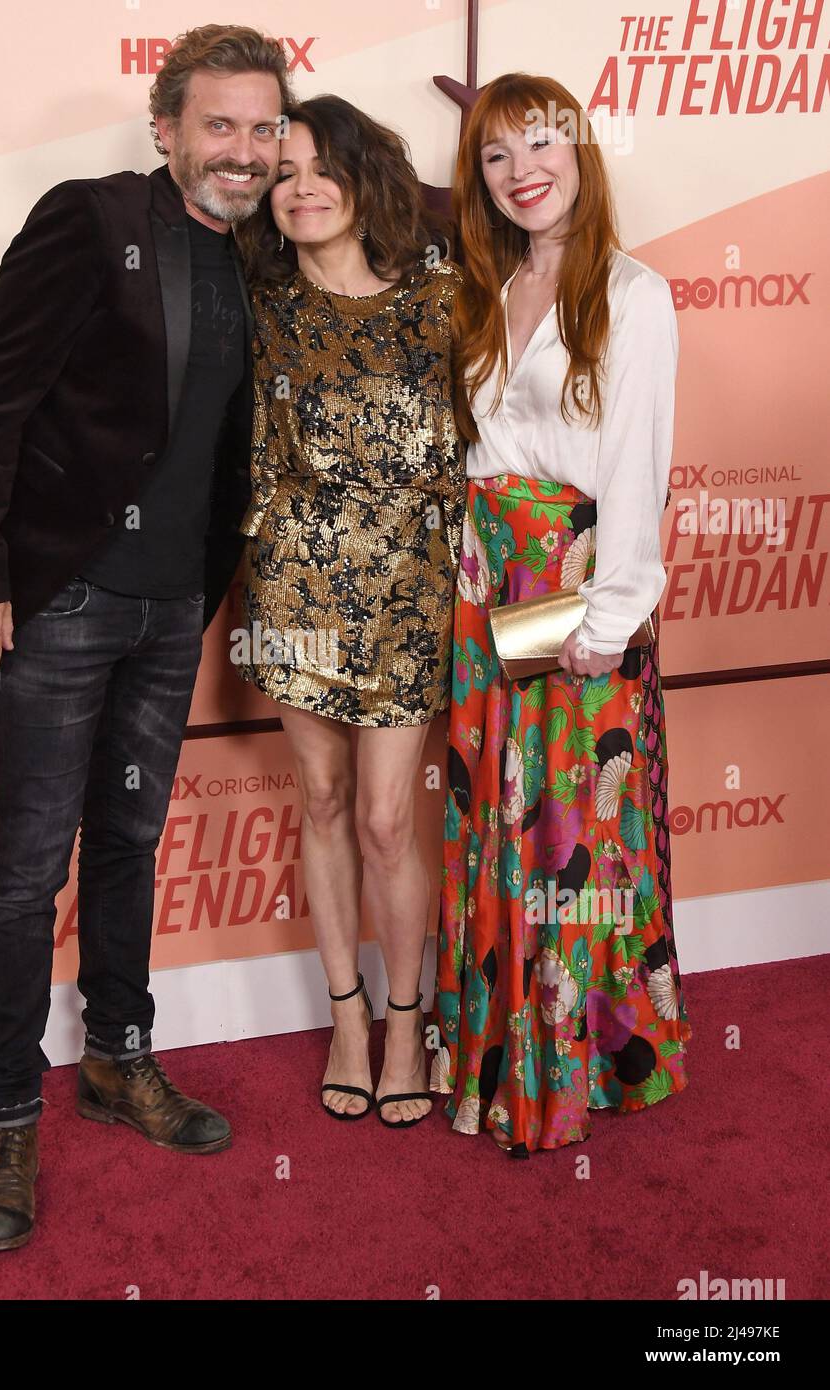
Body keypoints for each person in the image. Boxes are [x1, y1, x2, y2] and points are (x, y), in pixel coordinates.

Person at [0, 25, 291, 1251]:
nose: (242, 150)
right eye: (220, 125)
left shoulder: (262, 255)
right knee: (27, 867)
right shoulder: (88, 221)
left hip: (172, 603)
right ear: (168, 129)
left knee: (129, 837)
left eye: (262, 127)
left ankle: (118, 1057)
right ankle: (8, 1116)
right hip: (66, 600)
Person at [432, 72, 691, 1157]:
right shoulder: (486, 287)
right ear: (478, 178)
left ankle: (571, 1064)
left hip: (573, 589)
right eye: (495, 155)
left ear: (580, 153)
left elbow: (632, 468)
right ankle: (494, 1053)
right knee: (495, 817)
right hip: (487, 587)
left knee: (567, 834)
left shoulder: (630, 294)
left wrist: (610, 617)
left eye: (541, 143)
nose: (520, 169)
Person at [233, 96, 465, 1128]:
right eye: (283, 173)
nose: (301, 187)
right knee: (320, 802)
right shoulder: (253, 300)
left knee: (382, 817)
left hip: (411, 588)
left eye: (321, 167)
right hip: (290, 583)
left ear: (367, 177)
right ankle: (346, 1018)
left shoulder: (446, 297)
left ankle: (408, 1020)